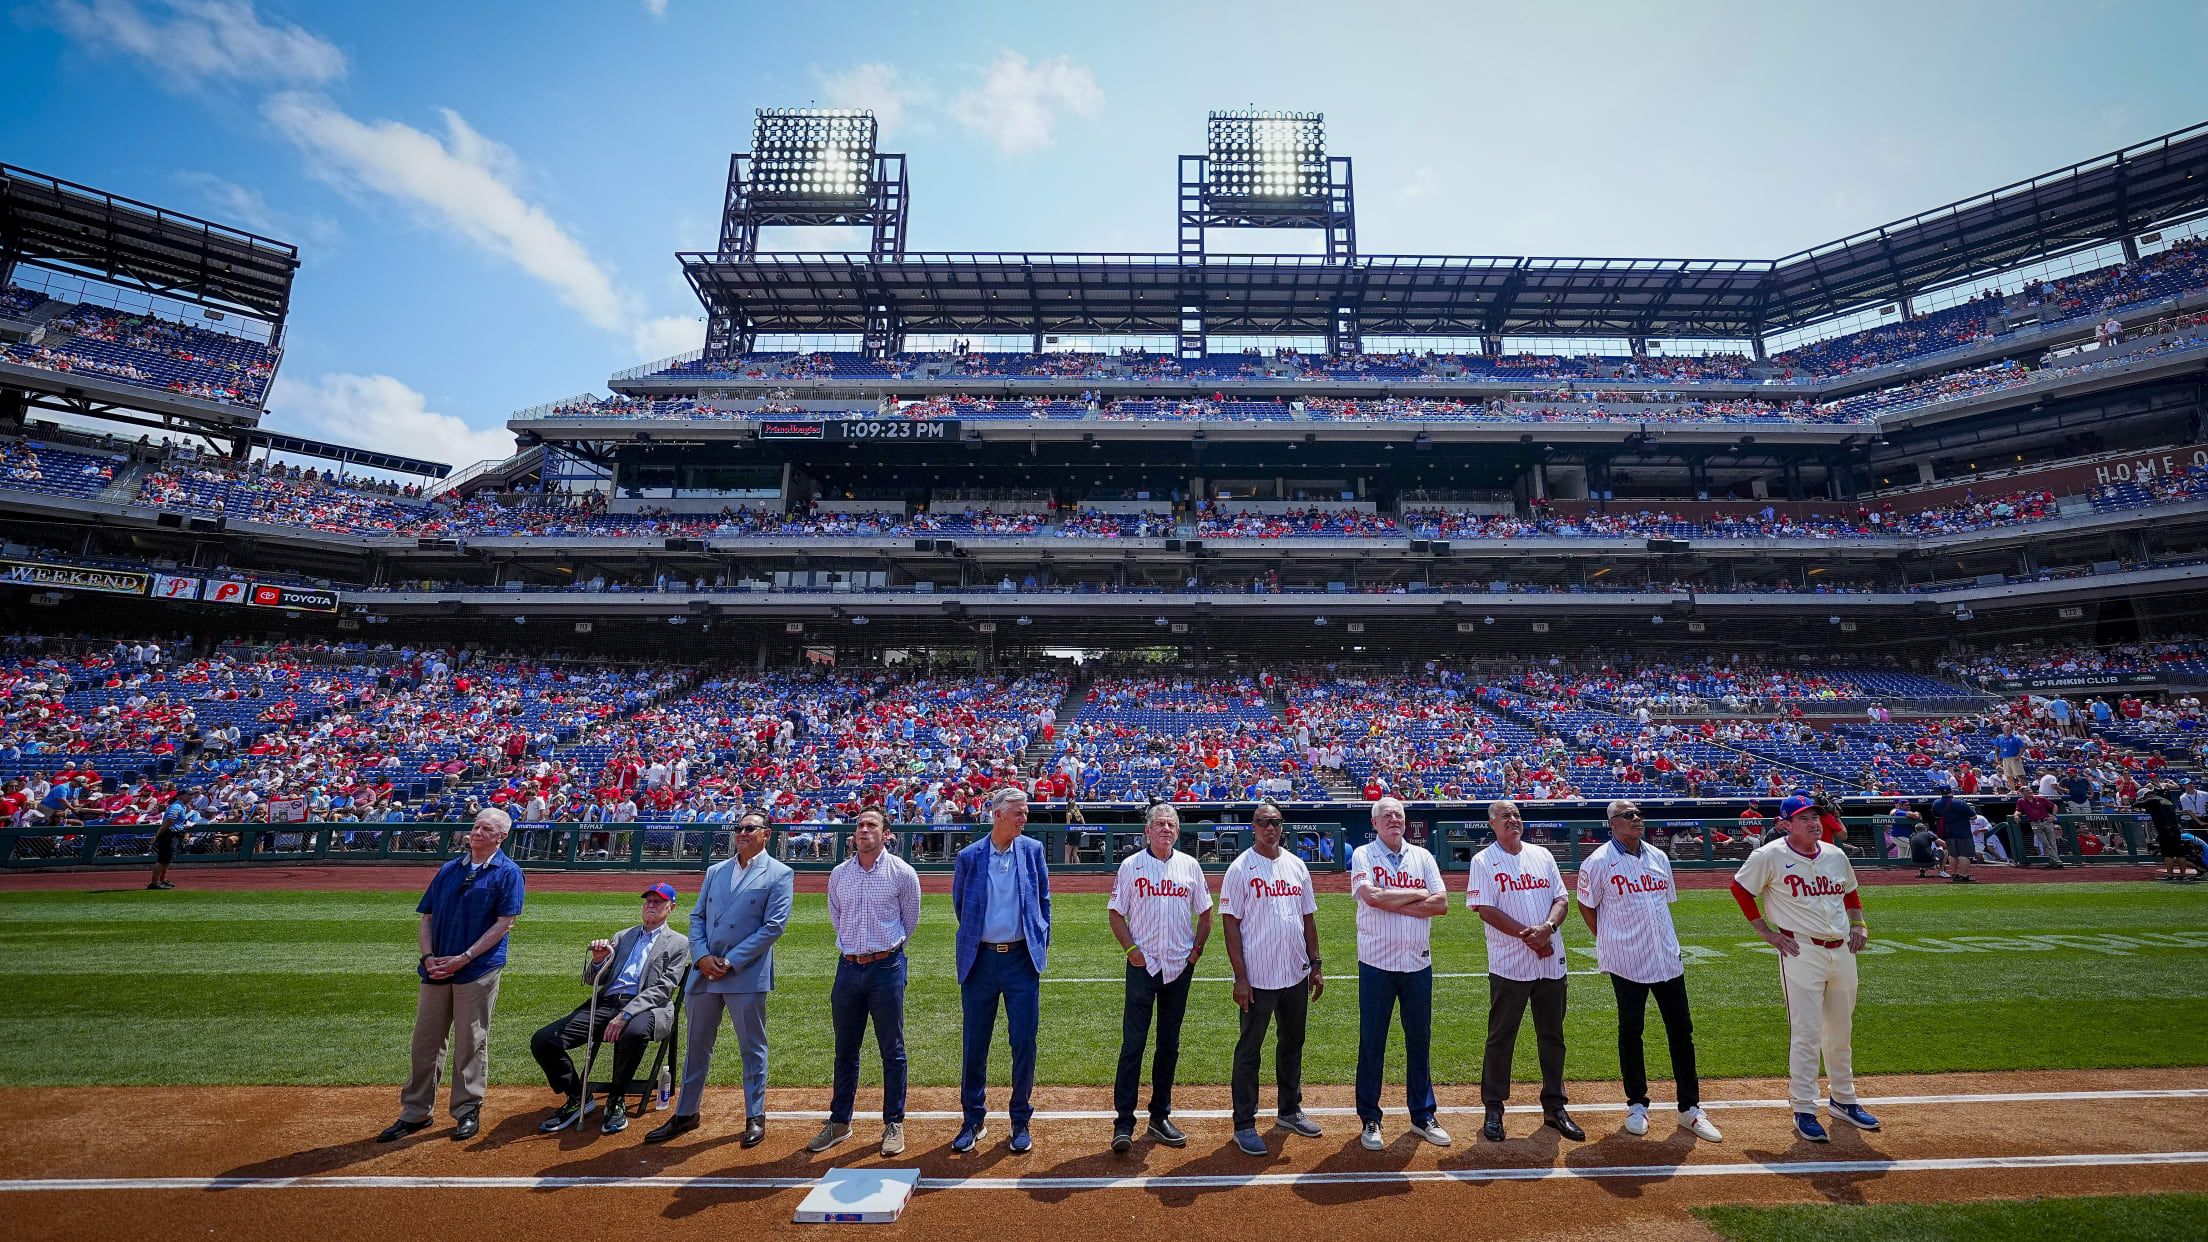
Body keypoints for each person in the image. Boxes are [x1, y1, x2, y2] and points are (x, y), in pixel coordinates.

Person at [1729, 794, 1877, 1143]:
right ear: (1785, 824)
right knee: (1807, 1032)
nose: (1814, 822)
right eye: (1804, 817)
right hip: (1801, 951)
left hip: (1843, 950)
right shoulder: (1769, 855)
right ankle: (1804, 1108)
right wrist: (1764, 931)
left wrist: (1860, 925)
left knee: (1841, 1030)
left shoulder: (1834, 854)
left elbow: (1850, 892)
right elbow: (1739, 888)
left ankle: (1844, 1099)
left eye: (1816, 816)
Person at [1577, 800, 1722, 1142]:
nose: (1637, 818)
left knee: (1681, 1032)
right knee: (1631, 1031)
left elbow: (1662, 904)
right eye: (1629, 815)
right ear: (1612, 823)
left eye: (1639, 813)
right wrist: (1609, 939)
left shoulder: (1659, 857)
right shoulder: (1598, 862)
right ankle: (1637, 1104)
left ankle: (1690, 1109)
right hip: (1627, 960)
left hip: (1666, 957)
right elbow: (1586, 904)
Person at [378, 807, 524, 1144]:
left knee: (470, 1042)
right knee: (425, 1042)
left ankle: (467, 1109)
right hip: (436, 968)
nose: (477, 833)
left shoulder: (509, 872)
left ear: (501, 837)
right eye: (476, 827)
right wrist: (428, 956)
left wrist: (464, 958)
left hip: (477, 969)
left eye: (486, 829)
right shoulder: (448, 869)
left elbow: (505, 923)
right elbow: (427, 917)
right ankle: (415, 1113)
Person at [650, 808, 793, 1149]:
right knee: (696, 1046)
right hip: (705, 973)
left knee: (752, 1048)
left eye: (750, 828)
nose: (742, 833)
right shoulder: (716, 870)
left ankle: (754, 1115)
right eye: (738, 828)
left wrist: (729, 961)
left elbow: (773, 927)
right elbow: (697, 914)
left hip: (743, 973)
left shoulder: (780, 873)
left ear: (766, 833)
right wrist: (700, 956)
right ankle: (686, 1113)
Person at [531, 882, 689, 1135]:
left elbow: (663, 989)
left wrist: (625, 1015)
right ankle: (576, 1097)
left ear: (671, 908)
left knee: (633, 1033)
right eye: (648, 901)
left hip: (646, 1007)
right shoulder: (622, 936)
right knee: (544, 1039)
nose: (651, 905)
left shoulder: (679, 943)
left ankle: (617, 1098)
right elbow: (595, 981)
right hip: (606, 1003)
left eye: (658, 902)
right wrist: (597, 961)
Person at [1106, 800, 1213, 1152]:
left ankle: (1159, 1117)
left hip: (1179, 968)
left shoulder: (1190, 866)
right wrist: (1131, 951)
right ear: (1148, 831)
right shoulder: (1130, 866)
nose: (1166, 829)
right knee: (1132, 1045)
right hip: (1143, 967)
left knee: (1169, 1045)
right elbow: (1116, 914)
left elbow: (1206, 913)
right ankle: (1123, 1123)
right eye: (1160, 824)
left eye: (1171, 825)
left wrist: (1195, 953)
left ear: (1178, 832)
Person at [814, 805, 922, 1157]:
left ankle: (894, 1122)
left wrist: (880, 952)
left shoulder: (902, 873)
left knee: (892, 1050)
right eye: (859, 824)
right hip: (847, 969)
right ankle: (840, 1121)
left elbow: (909, 922)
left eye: (871, 824)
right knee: (845, 1051)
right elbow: (836, 917)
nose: (864, 830)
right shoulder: (839, 874)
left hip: (886, 967)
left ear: (885, 833)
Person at [1469, 799, 1579, 1144]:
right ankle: (1493, 1107)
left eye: (1516, 815)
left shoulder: (1542, 855)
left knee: (1553, 1037)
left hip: (1550, 959)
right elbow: (1485, 909)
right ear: (1492, 823)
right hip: (1509, 964)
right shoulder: (1483, 860)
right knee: (1501, 1037)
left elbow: (1562, 899)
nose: (1513, 820)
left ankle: (1555, 1107)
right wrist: (1530, 938)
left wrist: (1547, 928)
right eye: (1506, 816)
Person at [1220, 798, 1324, 1158]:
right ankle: (1244, 1123)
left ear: (1282, 827)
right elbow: (1230, 925)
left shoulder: (1297, 866)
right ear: (1253, 827)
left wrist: (1316, 964)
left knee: (1292, 1044)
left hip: (1295, 973)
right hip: (1258, 977)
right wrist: (1240, 978)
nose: (1270, 827)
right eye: (1263, 821)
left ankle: (1289, 1110)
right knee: (1250, 1050)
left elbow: (1308, 917)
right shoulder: (1240, 869)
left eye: (1276, 822)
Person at [952, 786, 1051, 1154]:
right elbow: (962, 908)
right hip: (980, 962)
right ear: (997, 815)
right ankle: (973, 1119)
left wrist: (1039, 942)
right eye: (1019, 814)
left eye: (1025, 813)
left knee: (1023, 1042)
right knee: (975, 1045)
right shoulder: (969, 857)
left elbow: (1044, 902)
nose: (1025, 819)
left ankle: (1020, 1119)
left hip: (1022, 961)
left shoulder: (1033, 851)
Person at [1350, 795, 1450, 1151]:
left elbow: (1441, 904)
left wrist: (1394, 899)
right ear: (1374, 823)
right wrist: (1415, 894)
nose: (1394, 819)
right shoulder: (1364, 854)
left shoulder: (1422, 856)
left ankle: (1423, 1115)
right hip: (1376, 963)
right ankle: (1370, 1118)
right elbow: (1370, 897)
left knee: (1419, 1041)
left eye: (1399, 815)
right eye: (1386, 815)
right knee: (1372, 1042)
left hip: (1417, 963)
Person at [2016, 785, 2063, 868]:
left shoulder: (2040, 798)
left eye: (2030, 790)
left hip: (2046, 822)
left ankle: (2054, 862)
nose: (2030, 792)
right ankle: (2057, 861)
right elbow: (2018, 810)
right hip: (2035, 824)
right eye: (2027, 791)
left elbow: (2054, 806)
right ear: (2023, 793)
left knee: (2052, 843)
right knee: (2045, 843)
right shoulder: (2021, 801)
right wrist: (2016, 815)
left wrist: (2053, 815)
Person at [146, 812, 180, 890]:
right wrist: (157, 836)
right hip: (168, 835)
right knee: (162, 860)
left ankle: (162, 880)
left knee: (167, 859)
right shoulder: (176, 807)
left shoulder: (181, 807)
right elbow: (168, 822)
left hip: (174, 834)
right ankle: (154, 882)